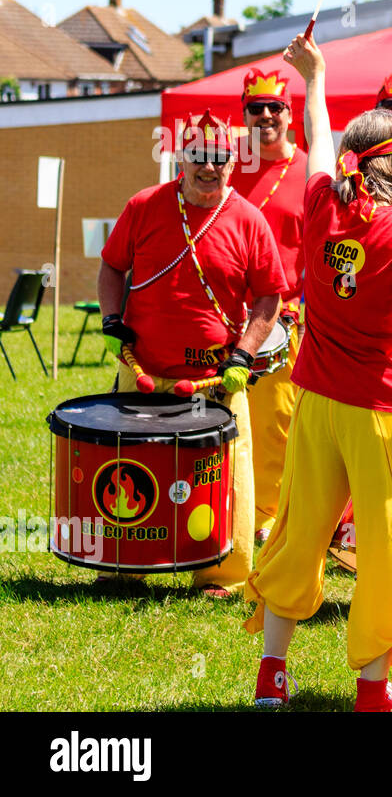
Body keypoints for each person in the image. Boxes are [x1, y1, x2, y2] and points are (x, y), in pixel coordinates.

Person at [245, 33, 392, 712]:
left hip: (316, 400)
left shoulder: (322, 204)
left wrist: (314, 77)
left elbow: (318, 137)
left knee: (300, 532)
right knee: (387, 548)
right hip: (384, 412)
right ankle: (375, 693)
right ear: (391, 162)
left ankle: (271, 679)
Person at [99, 110, 286, 597]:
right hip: (144, 371)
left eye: (220, 158)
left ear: (232, 162)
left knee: (229, 476)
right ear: (182, 157)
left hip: (214, 378)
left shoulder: (249, 219)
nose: (209, 167)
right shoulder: (142, 206)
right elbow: (112, 266)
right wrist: (110, 320)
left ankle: (220, 574)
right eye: (199, 157)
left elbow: (269, 296)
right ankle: (126, 565)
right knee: (131, 466)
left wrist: (243, 354)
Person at [230, 69, 308, 542]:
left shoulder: (308, 170)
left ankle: (269, 515)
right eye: (255, 108)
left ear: (290, 113)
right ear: (243, 114)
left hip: (284, 319)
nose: (265, 116)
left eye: (274, 107)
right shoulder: (223, 166)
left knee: (276, 423)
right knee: (223, 415)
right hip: (223, 317)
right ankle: (228, 503)